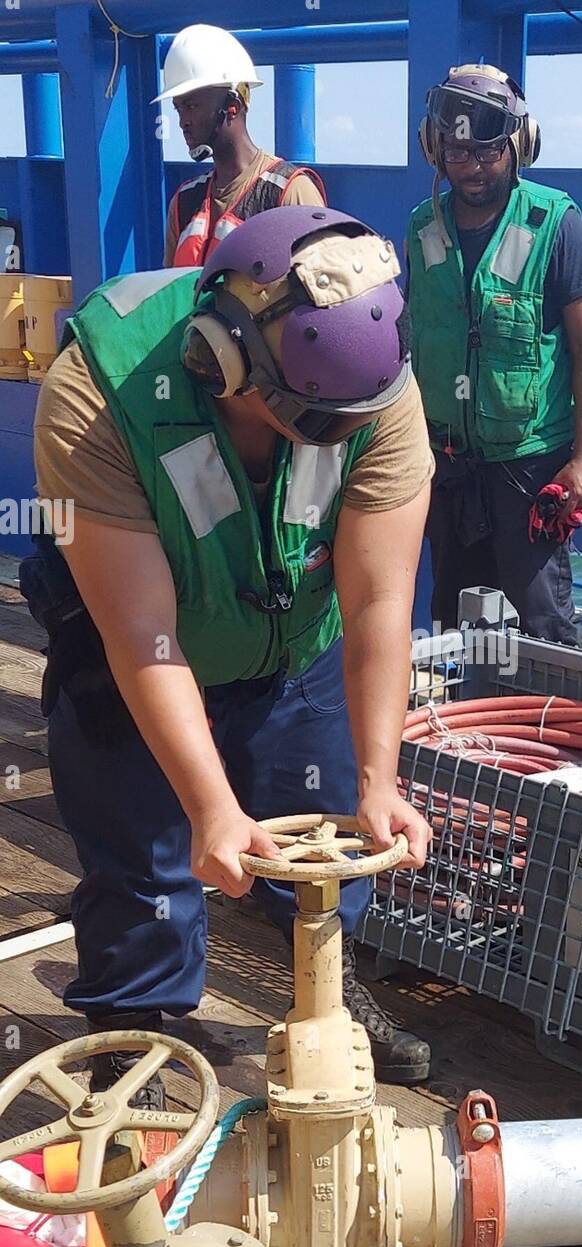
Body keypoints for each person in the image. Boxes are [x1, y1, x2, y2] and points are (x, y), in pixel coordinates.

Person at [23, 206, 435, 1101]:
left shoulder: (377, 386)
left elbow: (377, 600)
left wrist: (379, 780)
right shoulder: (99, 388)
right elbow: (144, 635)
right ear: (224, 357)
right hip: (135, 646)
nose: (332, 437)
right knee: (144, 864)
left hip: (294, 634)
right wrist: (210, 807)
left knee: (324, 830)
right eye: (311, 419)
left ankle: (329, 987)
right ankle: (133, 1031)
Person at [407, 64, 582, 644]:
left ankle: (542, 731)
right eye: (458, 154)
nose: (471, 169)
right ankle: (472, 729)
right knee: (459, 622)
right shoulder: (422, 228)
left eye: (487, 154)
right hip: (446, 464)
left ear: (519, 146)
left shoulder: (557, 223)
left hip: (529, 465)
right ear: (435, 148)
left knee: (541, 626)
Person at [156, 25, 326, 268]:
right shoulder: (183, 202)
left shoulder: (290, 193)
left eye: (191, 106)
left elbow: (322, 295)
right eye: (178, 108)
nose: (183, 121)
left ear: (232, 106)